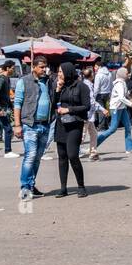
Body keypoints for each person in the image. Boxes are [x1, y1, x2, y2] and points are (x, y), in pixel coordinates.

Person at [13, 56, 55, 200]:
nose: (45, 70)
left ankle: (31, 185)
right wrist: (17, 125)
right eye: (42, 67)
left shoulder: (49, 81)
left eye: (45, 67)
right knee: (30, 156)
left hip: (45, 125)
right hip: (29, 124)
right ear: (34, 67)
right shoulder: (24, 81)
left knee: (37, 158)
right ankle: (25, 187)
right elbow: (17, 103)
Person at [45, 61, 90, 197]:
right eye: (58, 72)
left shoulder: (81, 87)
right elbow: (53, 106)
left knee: (72, 155)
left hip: (75, 124)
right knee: (62, 156)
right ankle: (63, 188)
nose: (59, 74)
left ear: (68, 72)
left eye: (61, 71)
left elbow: (86, 106)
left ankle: (81, 186)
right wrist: (57, 90)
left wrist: (69, 109)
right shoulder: (59, 86)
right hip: (61, 124)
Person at [97, 67, 132, 153]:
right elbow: (121, 98)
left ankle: (129, 147)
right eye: (127, 73)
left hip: (121, 108)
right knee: (112, 129)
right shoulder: (119, 84)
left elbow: (124, 94)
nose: (128, 75)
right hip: (116, 108)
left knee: (128, 126)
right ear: (123, 74)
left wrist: (129, 94)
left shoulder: (123, 83)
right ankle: (94, 144)